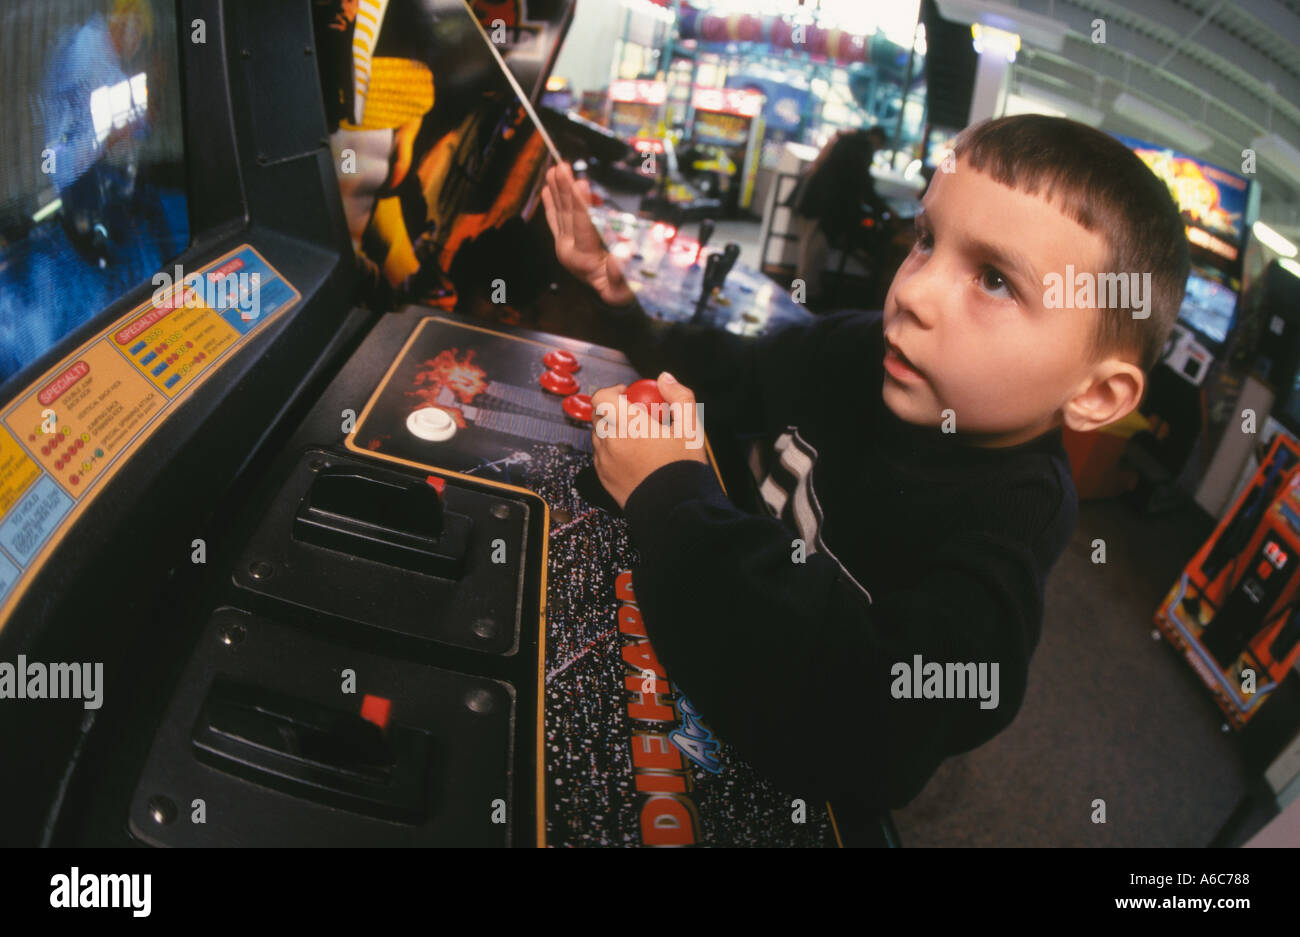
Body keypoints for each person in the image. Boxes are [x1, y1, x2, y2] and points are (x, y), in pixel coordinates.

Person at [540, 114, 1189, 817]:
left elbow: (876, 728)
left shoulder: (1013, 519)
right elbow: (736, 373)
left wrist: (669, 496)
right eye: (927, 241)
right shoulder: (859, 350)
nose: (911, 294)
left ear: (1095, 394)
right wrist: (626, 299)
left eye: (996, 280)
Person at [789, 126, 890, 308]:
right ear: (876, 139)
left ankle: (800, 300)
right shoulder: (861, 146)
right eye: (879, 146)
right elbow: (862, 181)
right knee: (809, 261)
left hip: (810, 203)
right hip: (820, 209)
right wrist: (883, 208)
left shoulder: (847, 140)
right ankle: (799, 304)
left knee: (807, 259)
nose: (876, 151)